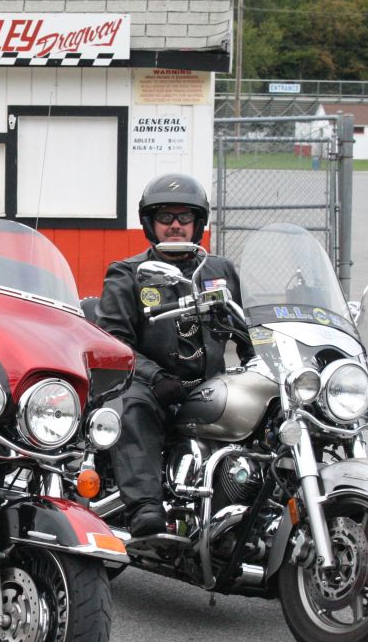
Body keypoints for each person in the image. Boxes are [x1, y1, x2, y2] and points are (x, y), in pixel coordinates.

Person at [91, 173, 251, 537]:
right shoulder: (128, 274)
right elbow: (112, 341)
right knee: (131, 404)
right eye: (166, 217)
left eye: (184, 217)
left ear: (198, 223)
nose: (175, 225)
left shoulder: (220, 270)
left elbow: (247, 328)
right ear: (150, 223)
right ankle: (145, 506)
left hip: (210, 386)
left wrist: (265, 362)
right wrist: (154, 377)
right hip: (151, 387)